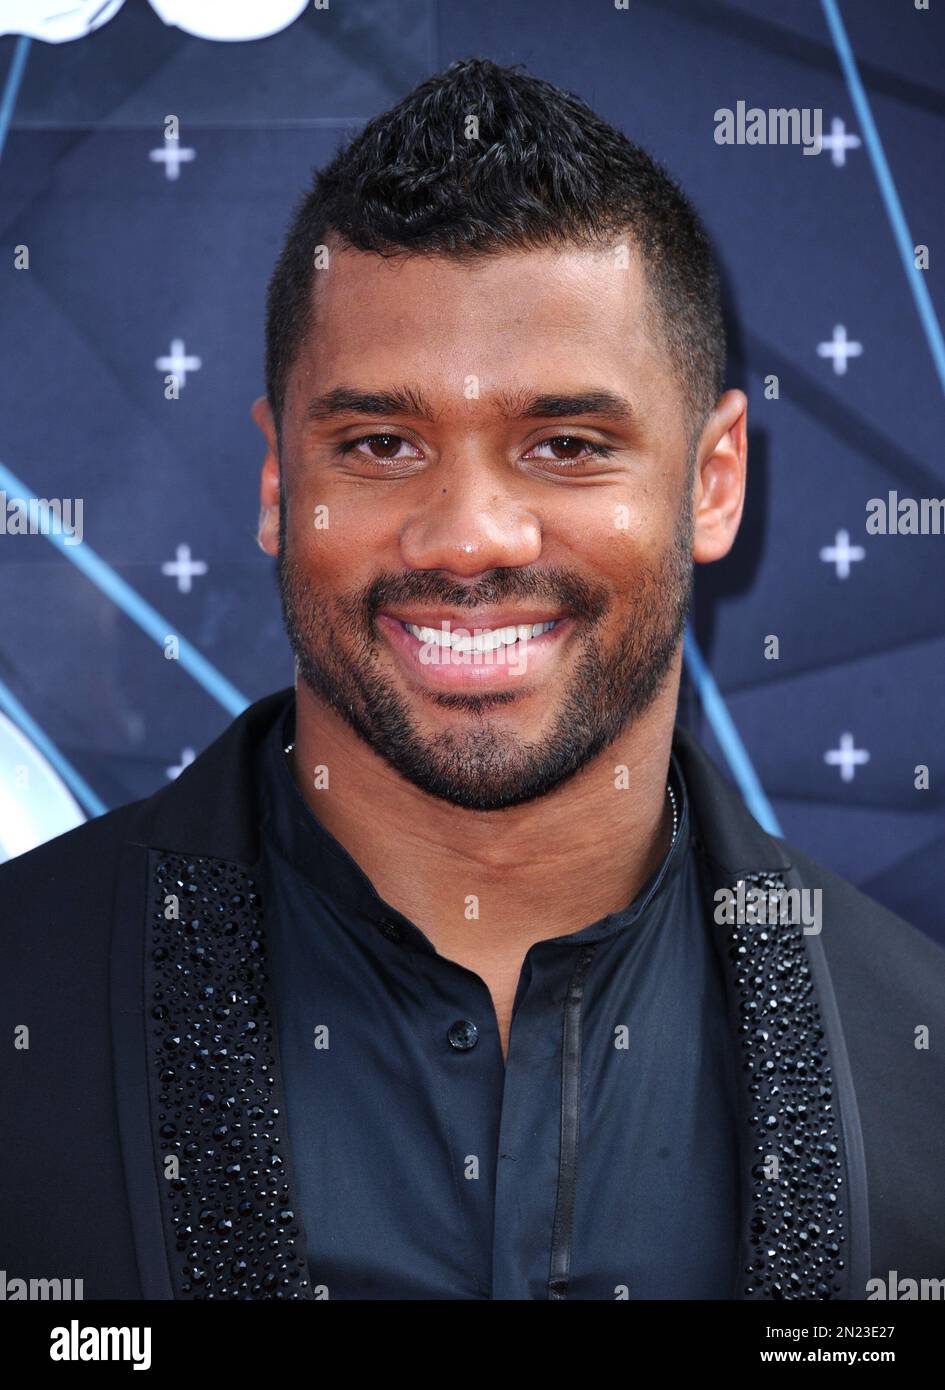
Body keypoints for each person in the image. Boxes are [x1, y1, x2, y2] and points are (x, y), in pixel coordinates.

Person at [2, 57, 943, 1303]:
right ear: (280, 482)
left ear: (714, 482)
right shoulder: (27, 993)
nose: (467, 539)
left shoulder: (921, 1063)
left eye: (567, 444)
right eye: (382, 443)